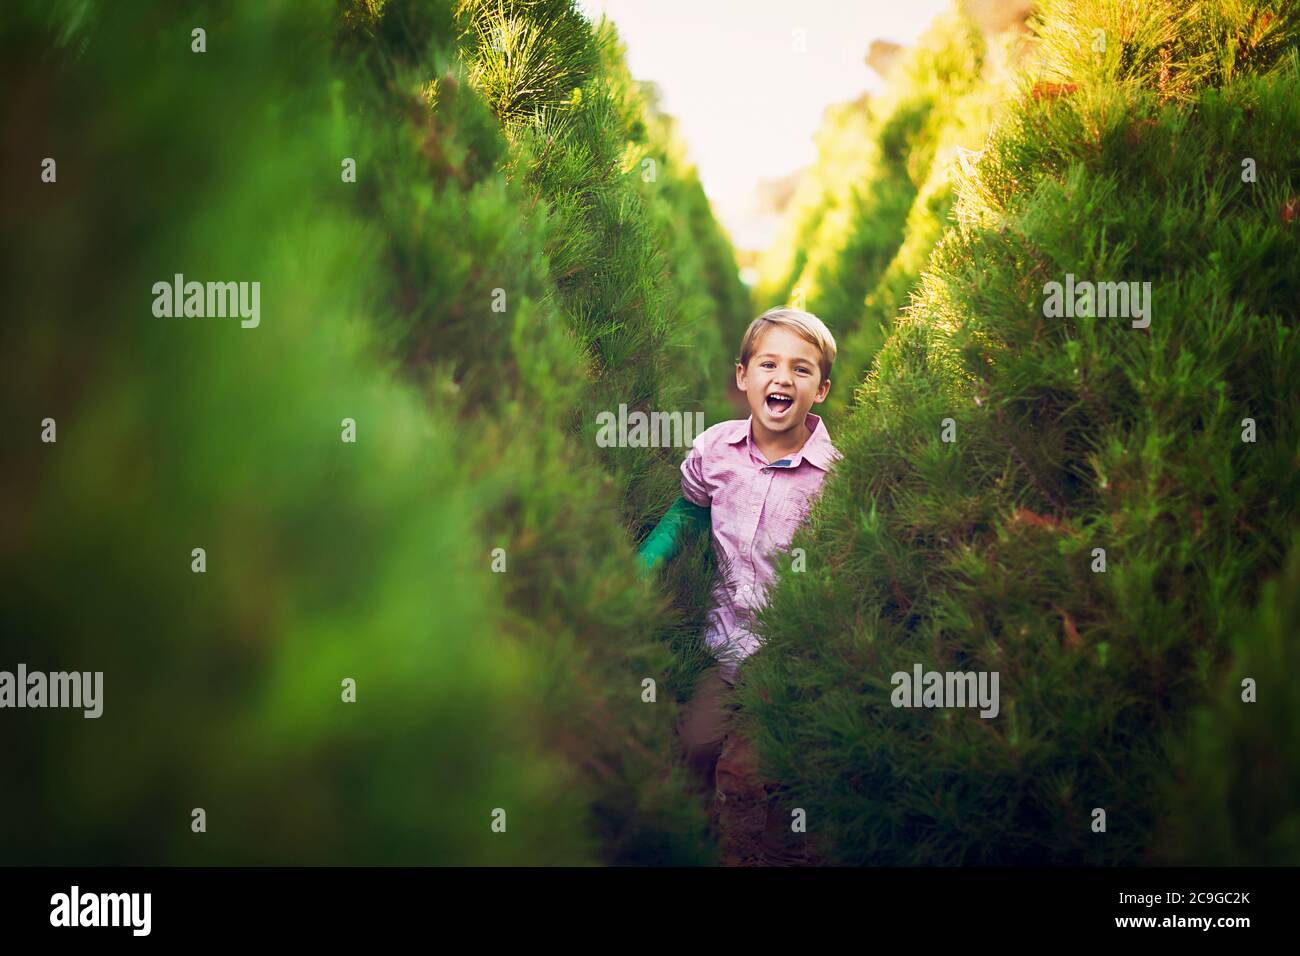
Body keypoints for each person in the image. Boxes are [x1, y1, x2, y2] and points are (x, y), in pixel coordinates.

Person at [638, 306, 841, 864]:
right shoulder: (715, 451)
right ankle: (694, 841)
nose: (783, 378)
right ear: (742, 377)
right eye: (768, 364)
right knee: (695, 746)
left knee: (764, 771)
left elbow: (841, 566)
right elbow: (688, 512)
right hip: (722, 641)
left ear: (820, 391)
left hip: (789, 655)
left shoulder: (834, 478)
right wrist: (646, 562)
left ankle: (773, 849)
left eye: (802, 370)